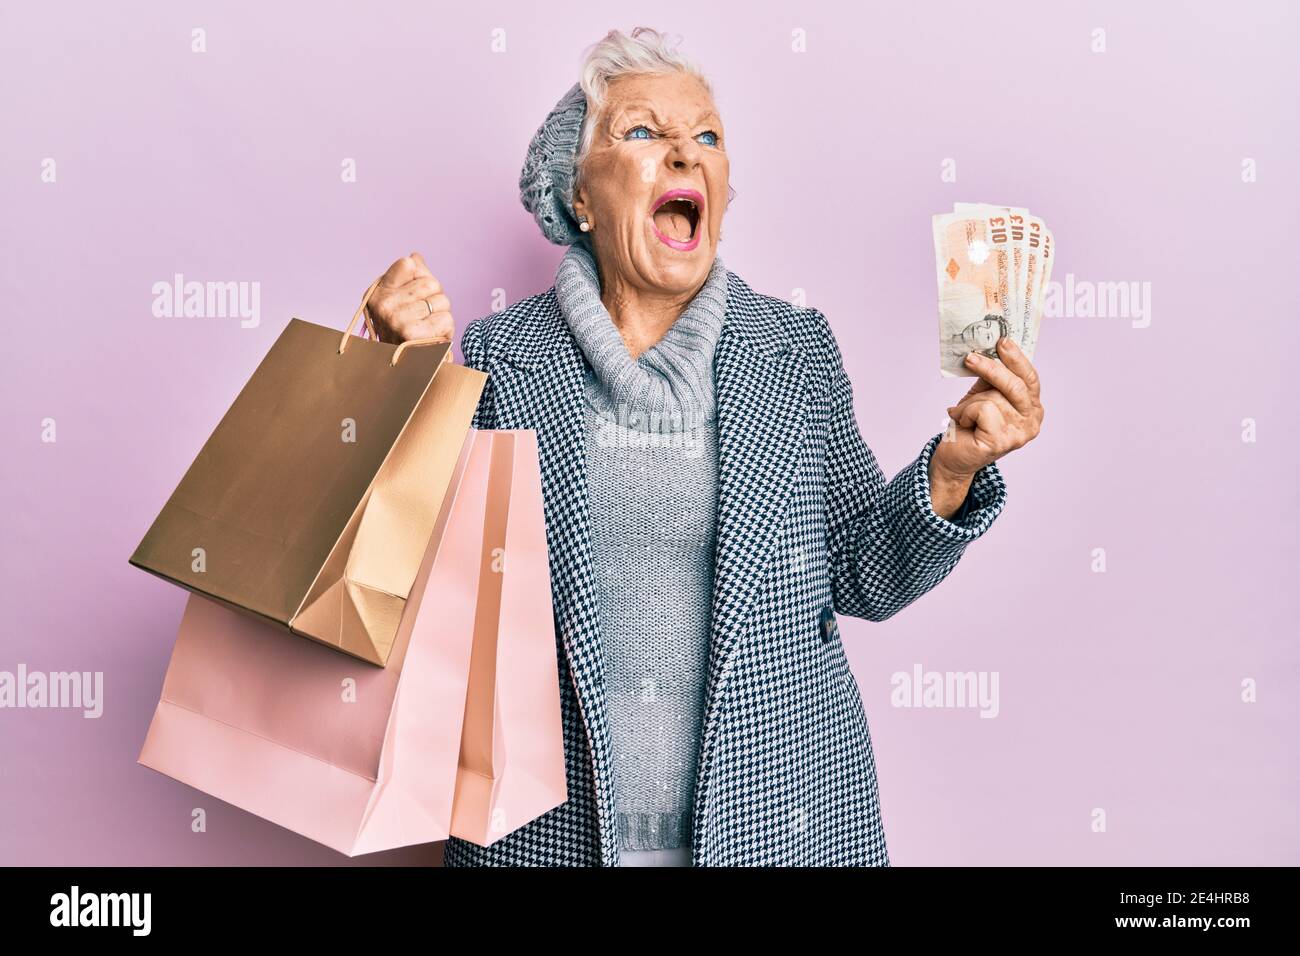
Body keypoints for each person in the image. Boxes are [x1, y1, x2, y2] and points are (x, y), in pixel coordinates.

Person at [363, 27, 1044, 867]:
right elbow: (407, 582)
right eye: (643, 132)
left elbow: (864, 572)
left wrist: (950, 471)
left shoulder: (795, 353)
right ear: (580, 196)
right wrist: (393, 371)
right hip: (547, 838)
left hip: (787, 830)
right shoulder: (503, 359)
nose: (686, 153)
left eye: (709, 137)